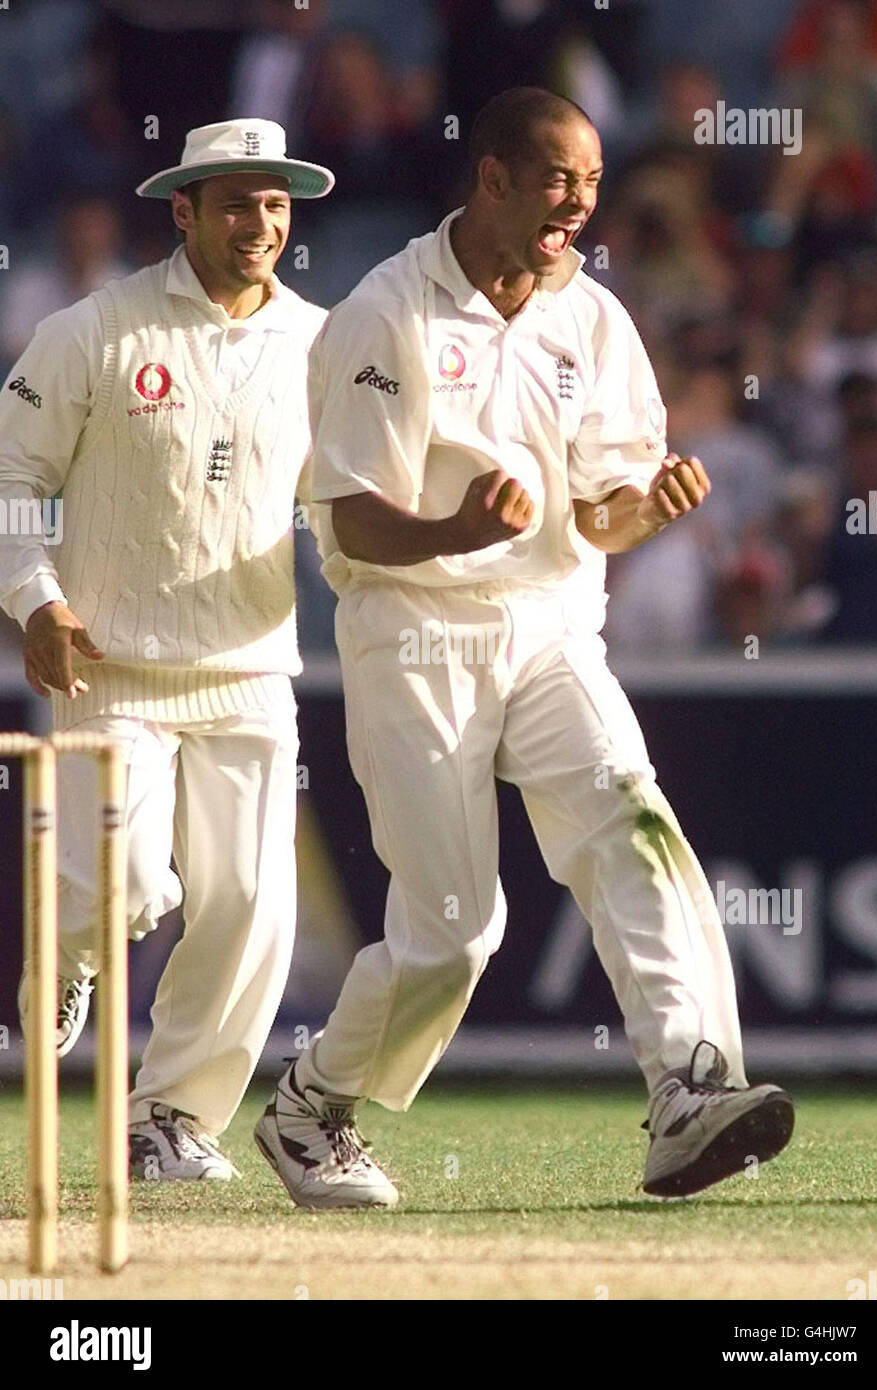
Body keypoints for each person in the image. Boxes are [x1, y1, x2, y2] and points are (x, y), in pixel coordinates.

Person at [253, 89, 794, 1209]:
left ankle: (688, 1087)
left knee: (625, 813)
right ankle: (312, 1102)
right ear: (489, 177)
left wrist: (649, 508)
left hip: (552, 624)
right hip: (415, 633)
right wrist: (460, 527)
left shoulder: (589, 319)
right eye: (556, 180)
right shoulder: (386, 310)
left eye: (590, 184)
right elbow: (348, 517)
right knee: (454, 932)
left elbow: (598, 517)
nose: (576, 206)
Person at [0, 119, 333, 1179]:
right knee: (123, 880)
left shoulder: (324, 344)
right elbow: (11, 483)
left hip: (247, 667)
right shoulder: (91, 331)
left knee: (249, 906)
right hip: (110, 667)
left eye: (276, 203)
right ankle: (66, 956)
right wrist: (34, 599)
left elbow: (348, 505)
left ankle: (168, 1121)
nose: (261, 223)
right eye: (238, 202)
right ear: (182, 210)